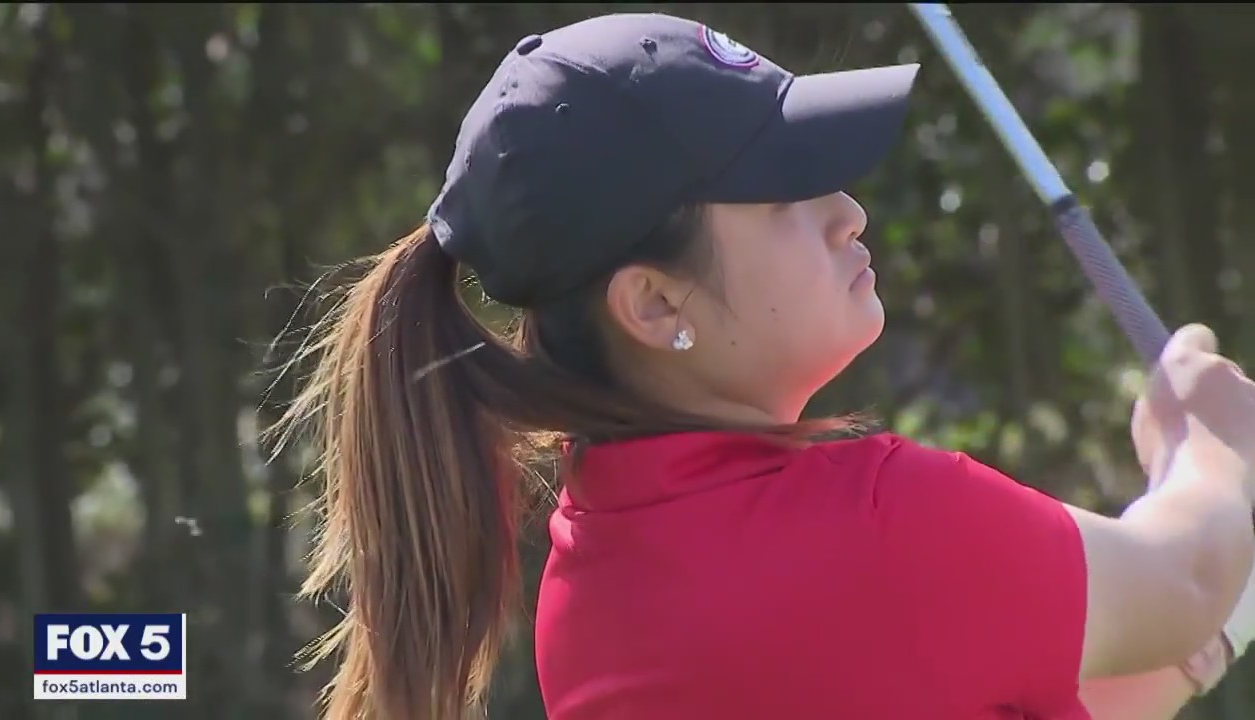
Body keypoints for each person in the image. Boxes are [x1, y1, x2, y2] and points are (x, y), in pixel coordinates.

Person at [277, 11, 1255, 720]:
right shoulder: (872, 525)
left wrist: (1214, 619)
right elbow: (1180, 579)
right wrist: (1207, 441)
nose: (847, 213)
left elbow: (1016, 663)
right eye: (781, 194)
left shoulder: (603, 557)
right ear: (655, 305)